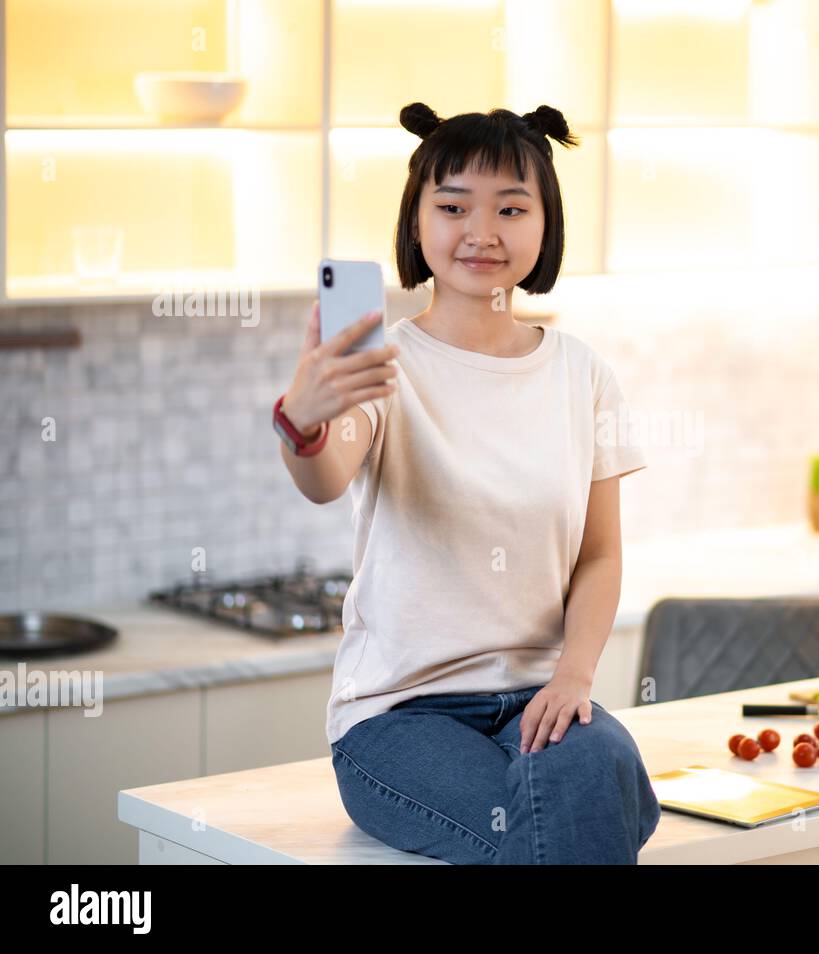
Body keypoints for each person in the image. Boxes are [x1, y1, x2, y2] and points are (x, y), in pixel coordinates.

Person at [274, 102, 660, 864]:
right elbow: (324, 477)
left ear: (544, 225)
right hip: (397, 720)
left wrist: (573, 676)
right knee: (563, 818)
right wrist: (304, 420)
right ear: (417, 222)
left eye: (511, 208)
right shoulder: (383, 366)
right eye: (453, 207)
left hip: (539, 701)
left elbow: (601, 556)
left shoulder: (584, 374)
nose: (481, 232)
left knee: (599, 777)